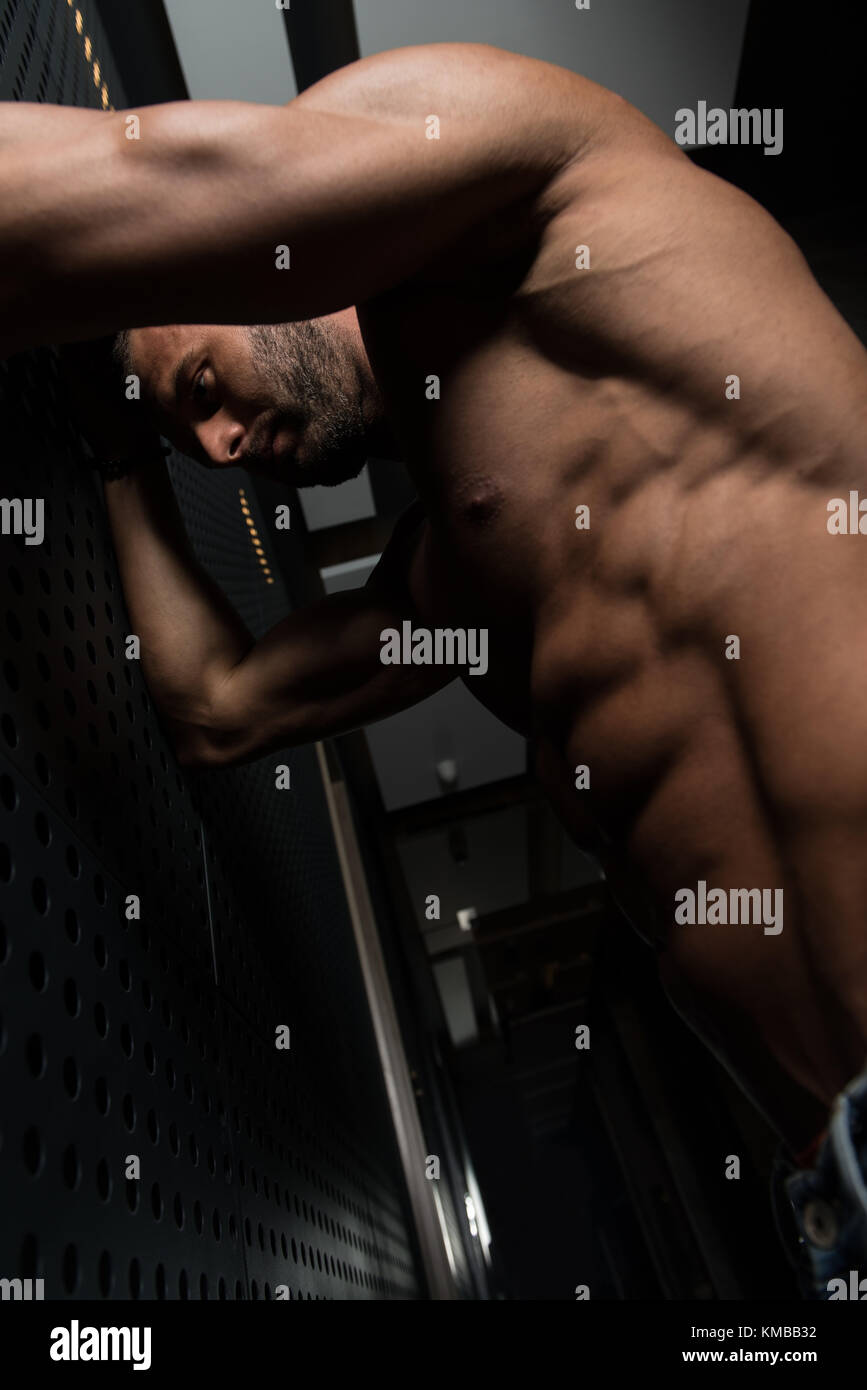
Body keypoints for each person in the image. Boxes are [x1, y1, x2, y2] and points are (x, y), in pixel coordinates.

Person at [3, 42, 867, 1296]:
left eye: (202, 387)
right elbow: (220, 710)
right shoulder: (457, 592)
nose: (225, 443)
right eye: (194, 443)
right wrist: (116, 449)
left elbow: (171, 176)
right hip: (829, 1196)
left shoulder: (552, 176)